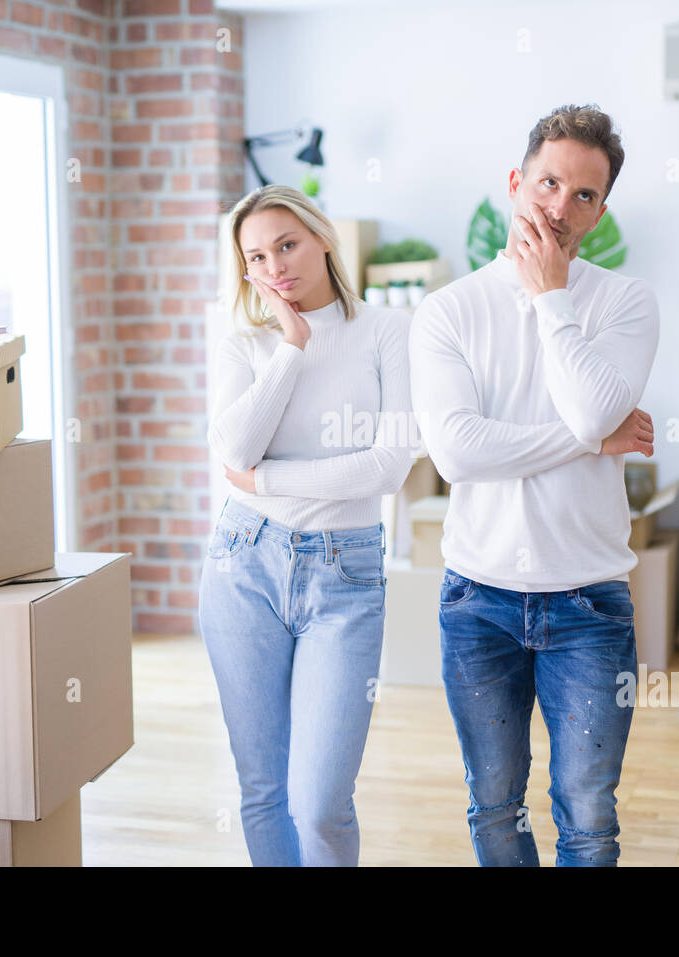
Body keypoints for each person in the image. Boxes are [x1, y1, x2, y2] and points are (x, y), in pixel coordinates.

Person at [408, 104, 660, 866]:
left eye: (583, 195)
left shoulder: (624, 302)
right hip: (476, 599)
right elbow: (458, 454)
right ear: (516, 181)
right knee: (495, 807)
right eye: (548, 182)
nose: (559, 206)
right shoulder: (448, 311)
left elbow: (589, 405)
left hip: (588, 600)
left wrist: (552, 296)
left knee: (588, 815)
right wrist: (588, 440)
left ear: (602, 210)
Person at [199, 185, 414, 866]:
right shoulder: (244, 339)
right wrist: (291, 345)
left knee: (319, 801)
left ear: (323, 237)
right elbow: (233, 449)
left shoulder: (388, 330)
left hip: (345, 573)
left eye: (286, 244)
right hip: (243, 564)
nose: (275, 267)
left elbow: (387, 465)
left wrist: (268, 480)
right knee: (262, 790)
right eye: (255, 257)